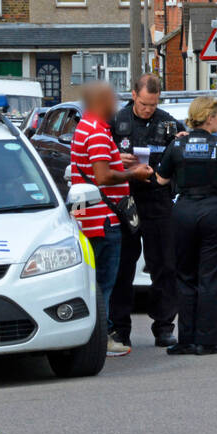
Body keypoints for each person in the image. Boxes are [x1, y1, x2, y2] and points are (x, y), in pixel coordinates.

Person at [69, 81, 158, 357]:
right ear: (101, 103)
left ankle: (93, 334)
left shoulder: (85, 126)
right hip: (103, 219)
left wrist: (117, 160)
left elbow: (95, 165)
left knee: (92, 280)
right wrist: (134, 174)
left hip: (87, 216)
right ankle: (102, 337)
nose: (116, 107)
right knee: (105, 283)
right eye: (112, 101)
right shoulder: (96, 131)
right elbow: (103, 176)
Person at [157, 96, 217, 355]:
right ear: (208, 118)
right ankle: (206, 341)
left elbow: (161, 180)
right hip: (215, 212)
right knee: (211, 278)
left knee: (185, 277)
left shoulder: (178, 145)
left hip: (184, 211)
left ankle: (185, 339)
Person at [108, 74, 187, 350]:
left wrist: (182, 142)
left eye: (152, 105)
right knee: (122, 268)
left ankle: (164, 327)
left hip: (158, 200)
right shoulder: (116, 122)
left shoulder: (168, 122)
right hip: (127, 202)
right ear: (133, 95)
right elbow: (101, 159)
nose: (147, 110)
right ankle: (119, 329)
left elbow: (184, 156)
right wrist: (119, 158)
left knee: (164, 265)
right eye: (143, 104)